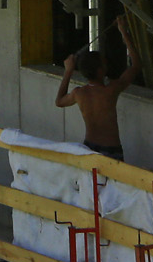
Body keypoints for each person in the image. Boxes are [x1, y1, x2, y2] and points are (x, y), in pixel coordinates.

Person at [55, 15, 140, 160]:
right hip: (111, 150)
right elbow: (136, 64)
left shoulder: (79, 93)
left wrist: (68, 70)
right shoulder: (111, 90)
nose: (107, 65)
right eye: (104, 63)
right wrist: (123, 32)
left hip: (88, 148)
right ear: (100, 70)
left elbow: (59, 101)